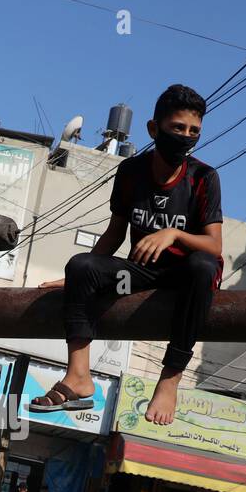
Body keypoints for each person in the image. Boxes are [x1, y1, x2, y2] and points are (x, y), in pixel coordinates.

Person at [28, 84, 223, 425]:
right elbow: (114, 234)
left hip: (186, 278)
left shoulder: (204, 177)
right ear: (154, 129)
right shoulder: (131, 172)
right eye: (177, 128)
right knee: (82, 265)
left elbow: (214, 246)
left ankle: (169, 379)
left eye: (194, 131)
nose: (186, 137)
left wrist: (174, 233)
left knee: (202, 266)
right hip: (139, 274)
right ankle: (78, 377)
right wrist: (75, 278)